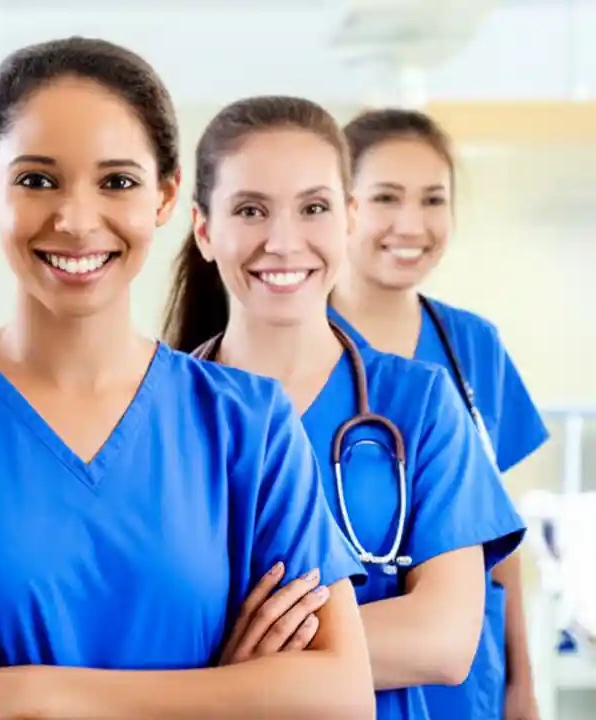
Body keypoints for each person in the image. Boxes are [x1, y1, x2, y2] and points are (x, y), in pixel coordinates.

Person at [0, 38, 375, 719]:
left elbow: (336, 699)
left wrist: (42, 694)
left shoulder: (249, 424)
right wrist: (221, 697)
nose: (76, 219)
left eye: (117, 182)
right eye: (37, 180)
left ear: (165, 196)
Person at [161, 95, 528, 720]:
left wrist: (236, 657)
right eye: (250, 210)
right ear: (203, 228)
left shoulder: (419, 403)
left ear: (347, 219)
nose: (283, 241)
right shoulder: (154, 412)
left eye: (314, 208)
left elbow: (444, 640)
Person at [329, 108, 551, 720]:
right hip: (346, 675)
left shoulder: (472, 344)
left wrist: (522, 689)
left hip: (466, 682)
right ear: (342, 207)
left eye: (433, 200)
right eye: (385, 198)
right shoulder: (296, 345)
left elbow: (500, 546)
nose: (412, 224)